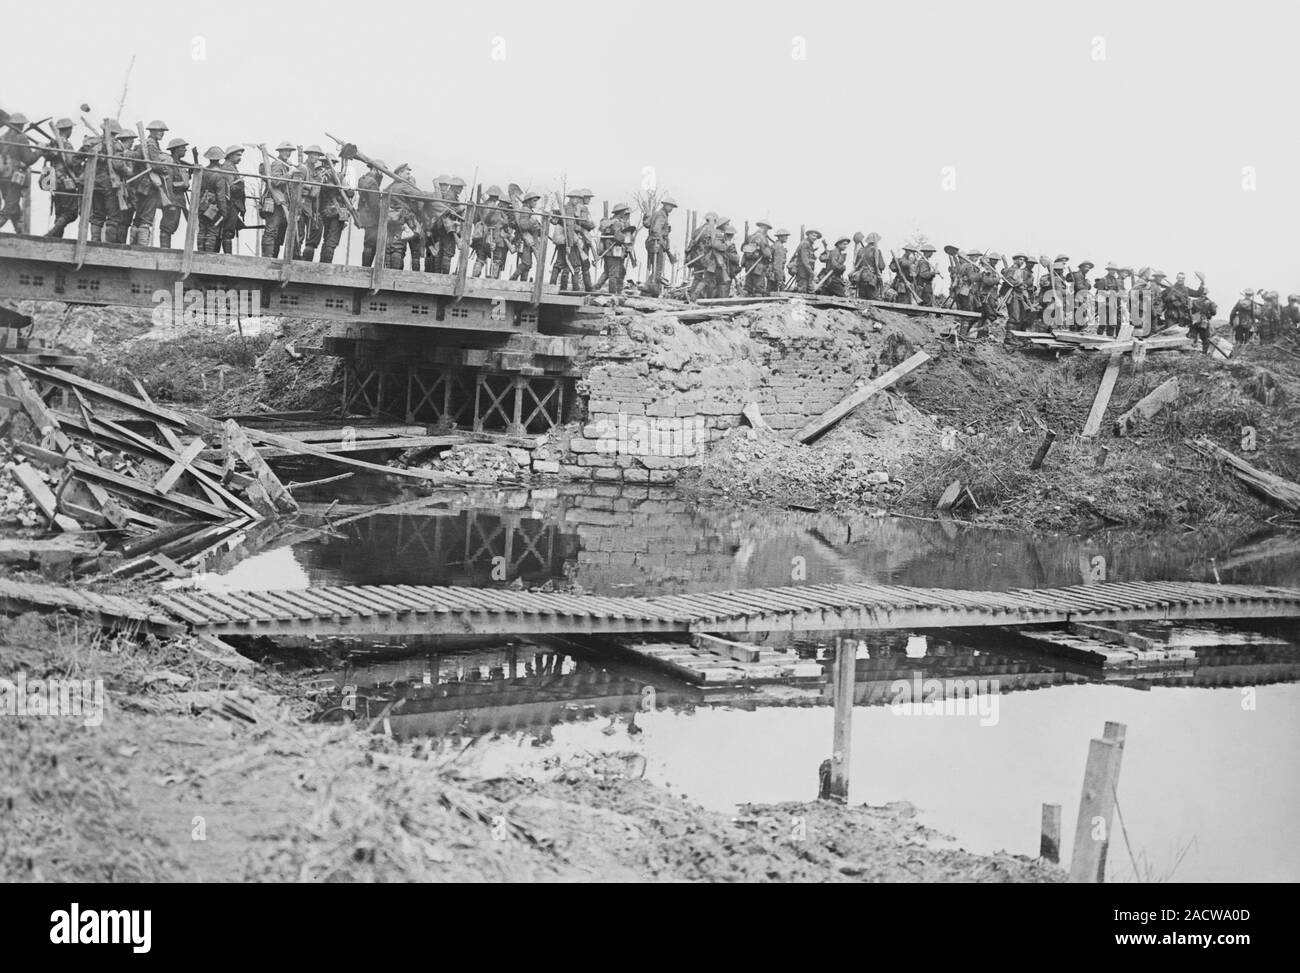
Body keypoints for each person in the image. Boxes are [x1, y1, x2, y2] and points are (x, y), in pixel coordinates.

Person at [40, 118, 83, 238]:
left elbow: (47, 156)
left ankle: (55, 239)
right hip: (65, 181)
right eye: (71, 129)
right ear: (68, 130)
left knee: (60, 213)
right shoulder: (66, 144)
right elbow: (71, 162)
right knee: (71, 213)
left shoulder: (53, 143)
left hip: (54, 181)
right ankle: (51, 235)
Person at [259, 141, 298, 258]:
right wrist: (289, 174)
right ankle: (267, 258)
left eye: (289, 151)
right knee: (271, 230)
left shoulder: (286, 165)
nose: (288, 153)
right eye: (285, 151)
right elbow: (274, 182)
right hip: (274, 202)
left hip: (282, 203)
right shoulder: (277, 164)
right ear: (279, 152)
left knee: (278, 233)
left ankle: (273, 257)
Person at [156, 137, 191, 248]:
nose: (185, 150)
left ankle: (166, 249)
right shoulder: (170, 164)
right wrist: (169, 202)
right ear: (176, 150)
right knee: (168, 225)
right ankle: (164, 250)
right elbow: (169, 184)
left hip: (178, 200)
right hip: (173, 200)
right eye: (183, 148)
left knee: (173, 225)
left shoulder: (179, 164)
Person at [196, 146, 230, 253]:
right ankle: (207, 256)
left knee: (202, 230)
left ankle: (200, 254)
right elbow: (220, 196)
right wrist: (224, 212)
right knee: (212, 230)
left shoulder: (202, 171)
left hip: (201, 204)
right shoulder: (219, 175)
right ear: (219, 159)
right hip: (213, 206)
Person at [643, 194, 675, 296]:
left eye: (672, 207)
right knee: (658, 269)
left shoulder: (657, 213)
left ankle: (647, 289)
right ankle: (649, 287)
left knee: (656, 269)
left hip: (652, 242)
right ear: (665, 205)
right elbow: (656, 230)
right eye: (670, 206)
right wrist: (662, 243)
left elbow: (648, 224)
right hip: (656, 242)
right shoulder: (661, 215)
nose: (671, 209)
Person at [355, 159, 384, 268]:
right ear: (376, 169)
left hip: (365, 215)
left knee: (368, 243)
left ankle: (365, 267)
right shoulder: (373, 182)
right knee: (370, 243)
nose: (382, 174)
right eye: (381, 171)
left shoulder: (363, 179)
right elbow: (374, 204)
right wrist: (379, 218)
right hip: (372, 217)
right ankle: (366, 268)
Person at [510, 190, 543, 282]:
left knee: (528, 264)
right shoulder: (525, 210)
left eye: (536, 201)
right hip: (525, 240)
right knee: (526, 263)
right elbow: (523, 225)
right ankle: (513, 279)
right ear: (528, 202)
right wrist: (533, 221)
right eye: (534, 201)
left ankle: (522, 282)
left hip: (530, 240)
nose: (536, 203)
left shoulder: (528, 210)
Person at [219, 145, 247, 254]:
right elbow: (229, 188)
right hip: (230, 203)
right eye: (238, 155)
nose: (240, 158)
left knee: (228, 230)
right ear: (230, 156)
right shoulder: (227, 167)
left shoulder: (232, 167)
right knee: (228, 230)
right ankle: (227, 256)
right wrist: (240, 186)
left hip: (233, 203)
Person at [742, 219, 773, 296]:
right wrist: (771, 250)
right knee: (759, 288)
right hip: (758, 265)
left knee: (748, 286)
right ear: (765, 228)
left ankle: (746, 302)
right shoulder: (762, 238)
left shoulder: (750, 237)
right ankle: (757, 304)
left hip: (748, 265)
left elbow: (742, 248)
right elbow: (767, 254)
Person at [851, 232, 884, 300]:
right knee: (873, 300)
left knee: (862, 300)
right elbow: (881, 266)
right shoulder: (876, 251)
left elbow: (856, 265)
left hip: (860, 278)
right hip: (871, 279)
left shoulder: (860, 251)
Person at [790, 229, 820, 293]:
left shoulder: (809, 244)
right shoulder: (805, 244)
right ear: (808, 235)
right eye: (813, 235)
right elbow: (805, 260)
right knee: (802, 291)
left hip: (806, 272)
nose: (815, 238)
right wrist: (812, 273)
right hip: (803, 272)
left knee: (807, 291)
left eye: (816, 237)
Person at [768, 228, 790, 294]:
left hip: (772, 273)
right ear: (780, 237)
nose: (787, 237)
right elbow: (778, 265)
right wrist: (780, 279)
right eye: (785, 236)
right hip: (775, 275)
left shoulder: (775, 245)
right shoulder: (779, 247)